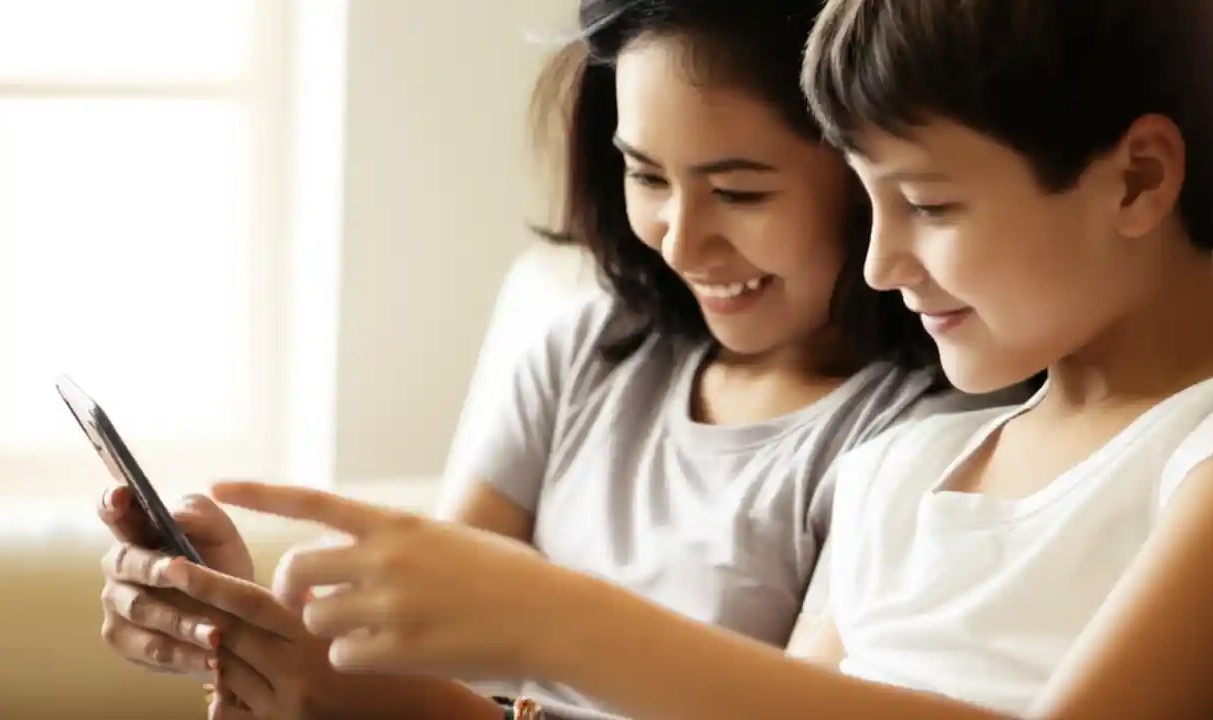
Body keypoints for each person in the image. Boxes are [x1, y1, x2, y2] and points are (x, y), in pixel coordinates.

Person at [199, 0, 1213, 718]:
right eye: (868, 201)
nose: (883, 259)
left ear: (1136, 181)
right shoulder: (904, 468)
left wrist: (566, 626)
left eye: (929, 207)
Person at [94, 1, 1019, 717]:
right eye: (646, 176)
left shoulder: (917, 443)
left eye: (738, 190)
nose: (682, 241)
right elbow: (424, 656)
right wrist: (253, 624)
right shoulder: (586, 347)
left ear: (871, 180)